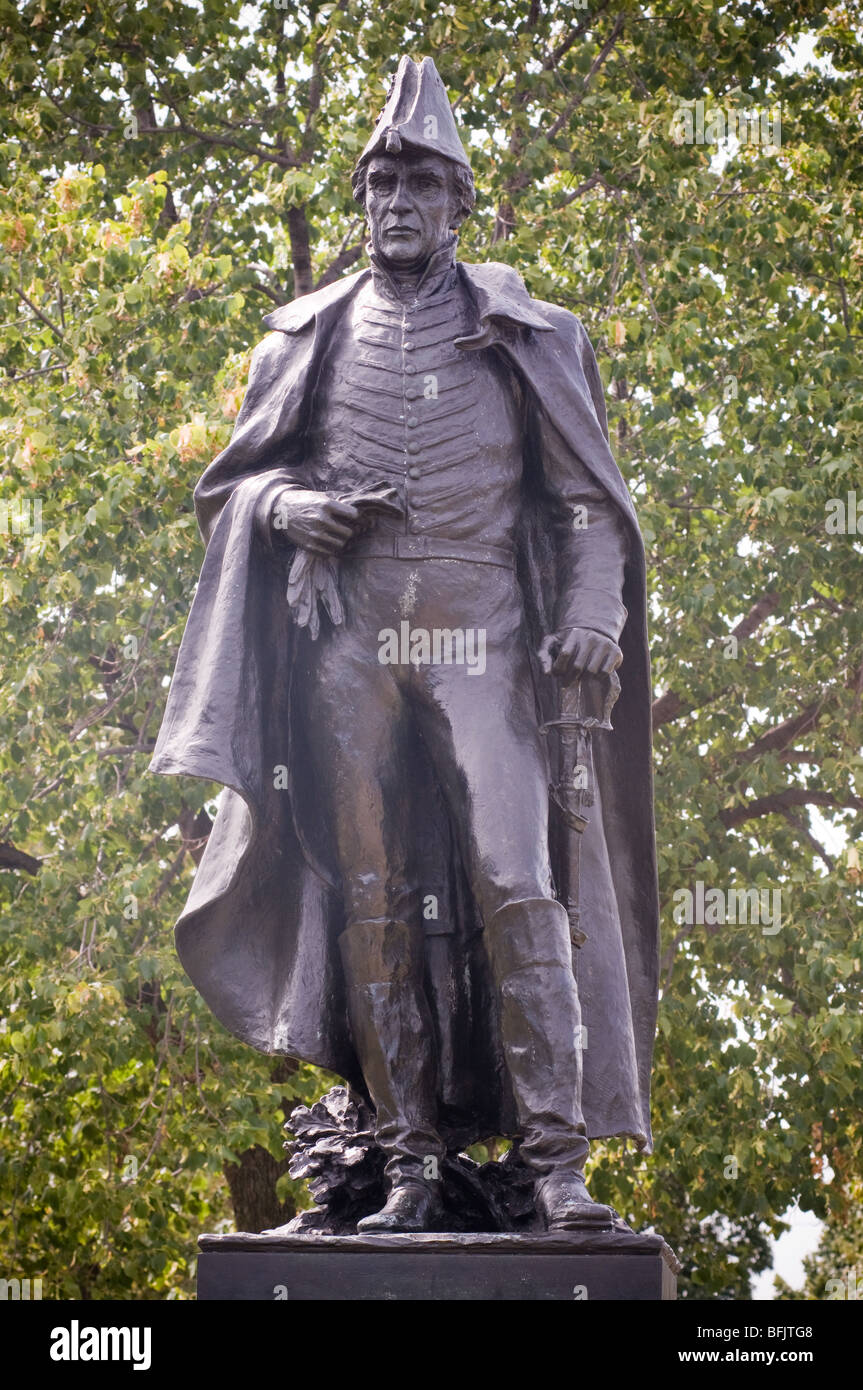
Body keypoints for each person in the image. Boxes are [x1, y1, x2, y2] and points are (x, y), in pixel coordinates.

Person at [151, 56, 659, 1235]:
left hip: (486, 639)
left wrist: (591, 615)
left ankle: (554, 1165)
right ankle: (409, 1161)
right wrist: (287, 508)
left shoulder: (527, 333)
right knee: (370, 903)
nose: (396, 204)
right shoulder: (306, 336)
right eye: (381, 183)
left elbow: (585, 500)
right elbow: (232, 493)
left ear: (458, 205)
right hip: (350, 649)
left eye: (421, 184)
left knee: (518, 880)